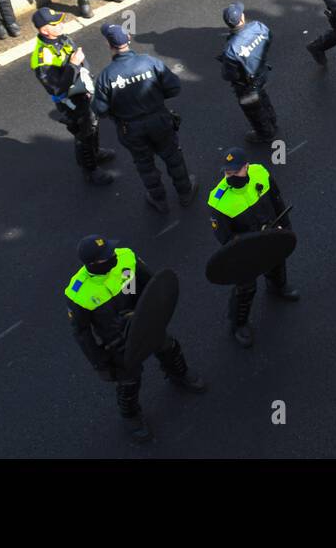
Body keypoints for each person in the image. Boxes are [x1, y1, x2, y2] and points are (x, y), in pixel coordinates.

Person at [66, 235, 206, 443]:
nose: (113, 255)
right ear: (93, 264)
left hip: (143, 322)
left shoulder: (125, 259)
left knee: (169, 347)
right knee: (129, 381)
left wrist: (146, 311)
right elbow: (82, 333)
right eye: (107, 256)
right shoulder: (79, 293)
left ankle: (179, 374)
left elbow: (150, 284)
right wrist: (101, 363)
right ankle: (130, 415)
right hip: (117, 342)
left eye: (111, 251)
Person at [91, 24, 197, 214]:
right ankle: (185, 193)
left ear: (109, 44)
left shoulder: (106, 76)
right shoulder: (150, 62)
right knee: (173, 157)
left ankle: (159, 200)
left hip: (130, 129)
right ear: (129, 39)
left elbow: (100, 109)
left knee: (145, 165)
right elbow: (174, 88)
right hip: (159, 120)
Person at [207, 148, 298, 347]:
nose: (229, 176)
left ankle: (277, 286)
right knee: (246, 288)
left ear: (246, 167)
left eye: (234, 171)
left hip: (270, 236)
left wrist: (286, 230)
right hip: (245, 252)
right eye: (227, 172)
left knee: (277, 262)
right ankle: (238, 323)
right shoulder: (219, 201)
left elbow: (277, 201)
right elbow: (224, 237)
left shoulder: (261, 173)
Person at [30, 7, 115, 186]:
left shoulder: (62, 38)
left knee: (92, 124)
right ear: (44, 30)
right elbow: (56, 88)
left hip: (82, 92)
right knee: (83, 134)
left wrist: (85, 75)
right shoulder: (42, 57)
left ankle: (95, 152)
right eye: (56, 23)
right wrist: (74, 65)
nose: (61, 24)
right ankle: (90, 170)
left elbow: (78, 58)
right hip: (70, 101)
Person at [218, 2, 278, 145]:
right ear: (242, 18)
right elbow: (268, 39)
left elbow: (229, 75)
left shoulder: (230, 50)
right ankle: (272, 120)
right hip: (262, 72)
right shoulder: (258, 26)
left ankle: (265, 134)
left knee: (254, 111)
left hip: (247, 86)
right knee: (263, 96)